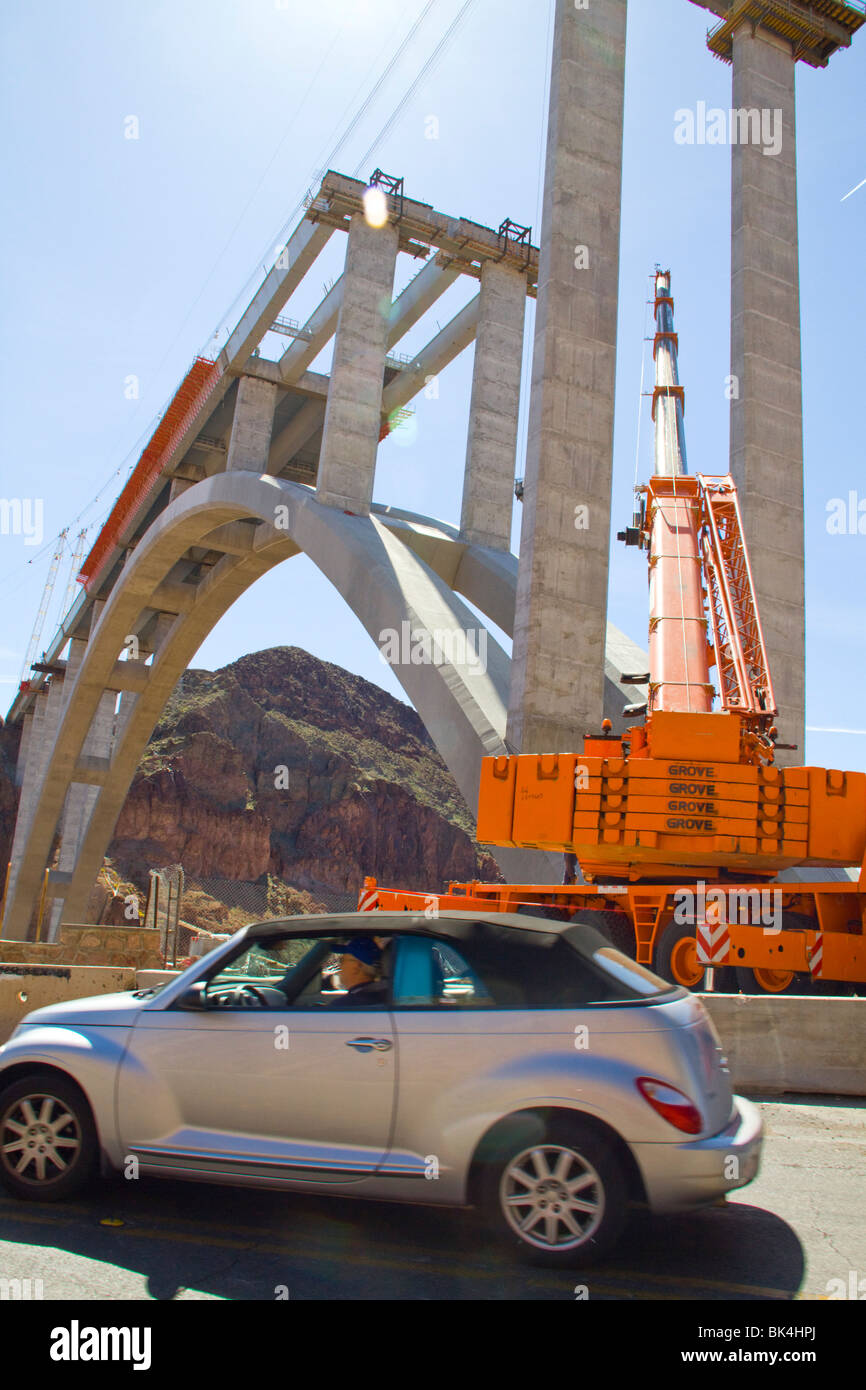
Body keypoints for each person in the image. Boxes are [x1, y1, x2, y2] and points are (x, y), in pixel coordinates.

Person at [327, 938, 388, 1006]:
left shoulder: (344, 1005)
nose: (340, 966)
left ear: (356, 967)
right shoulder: (384, 995)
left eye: (342, 961)